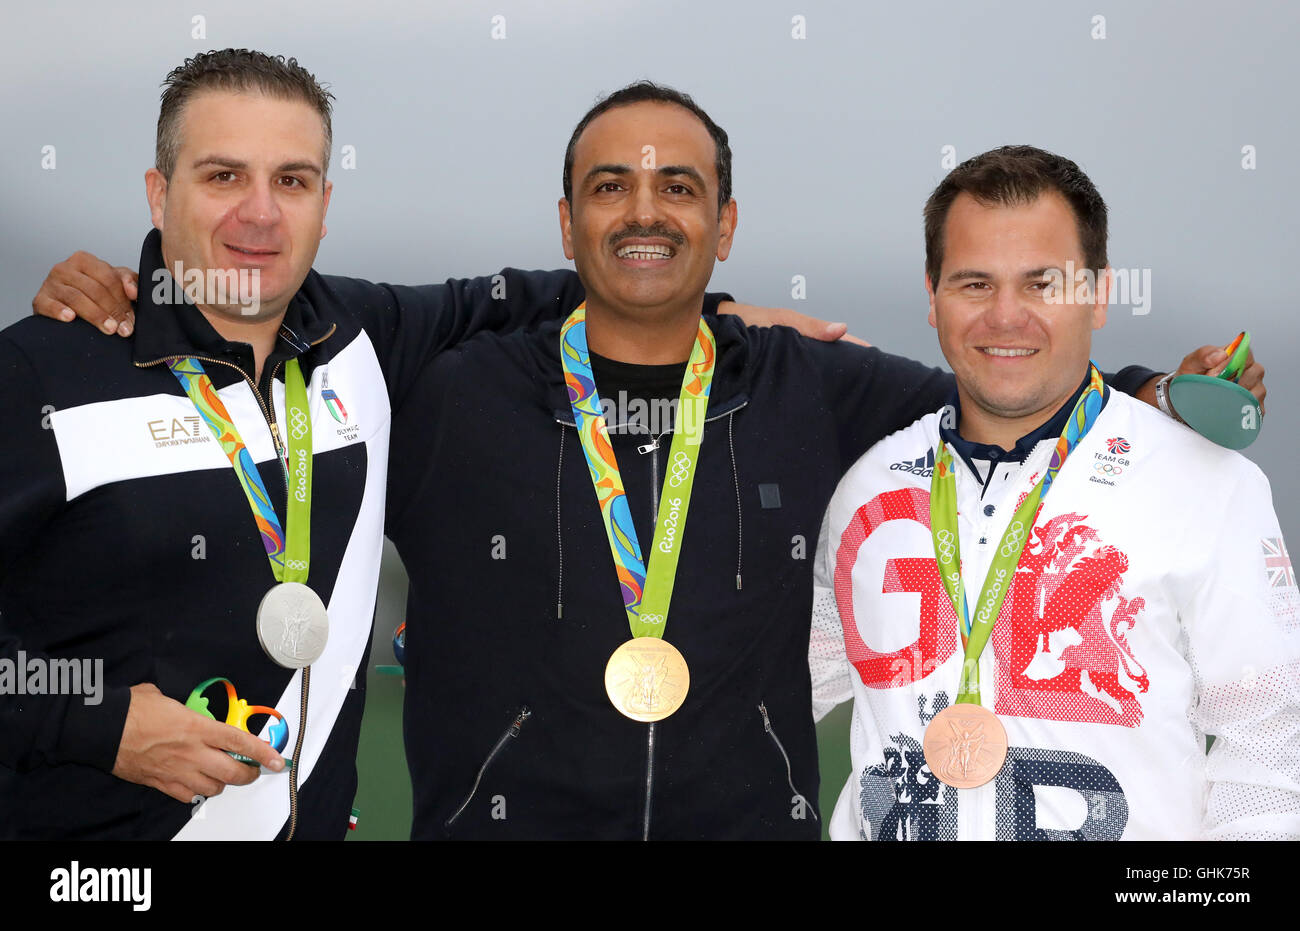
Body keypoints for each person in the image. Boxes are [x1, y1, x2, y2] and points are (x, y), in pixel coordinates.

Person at [36, 81, 1263, 840]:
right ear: (565, 224)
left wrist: (1156, 390)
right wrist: (140, 291)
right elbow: (260, 298)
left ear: (724, 225)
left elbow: (1003, 385)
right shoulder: (436, 382)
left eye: (681, 186)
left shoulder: (817, 389)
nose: (646, 209)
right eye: (609, 187)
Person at [8, 51, 833, 841]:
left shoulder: (363, 340)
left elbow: (540, 294)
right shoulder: (42, 371)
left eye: (290, 181)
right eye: (223, 176)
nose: (259, 214)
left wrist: (719, 311)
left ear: (324, 206)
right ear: (159, 194)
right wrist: (97, 720)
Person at [810, 145, 1299, 840]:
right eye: (974, 284)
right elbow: (771, 699)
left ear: (1099, 295)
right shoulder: (868, 484)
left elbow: (1272, 759)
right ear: (932, 296)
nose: (1006, 316)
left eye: (1043, 284)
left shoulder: (1208, 483)